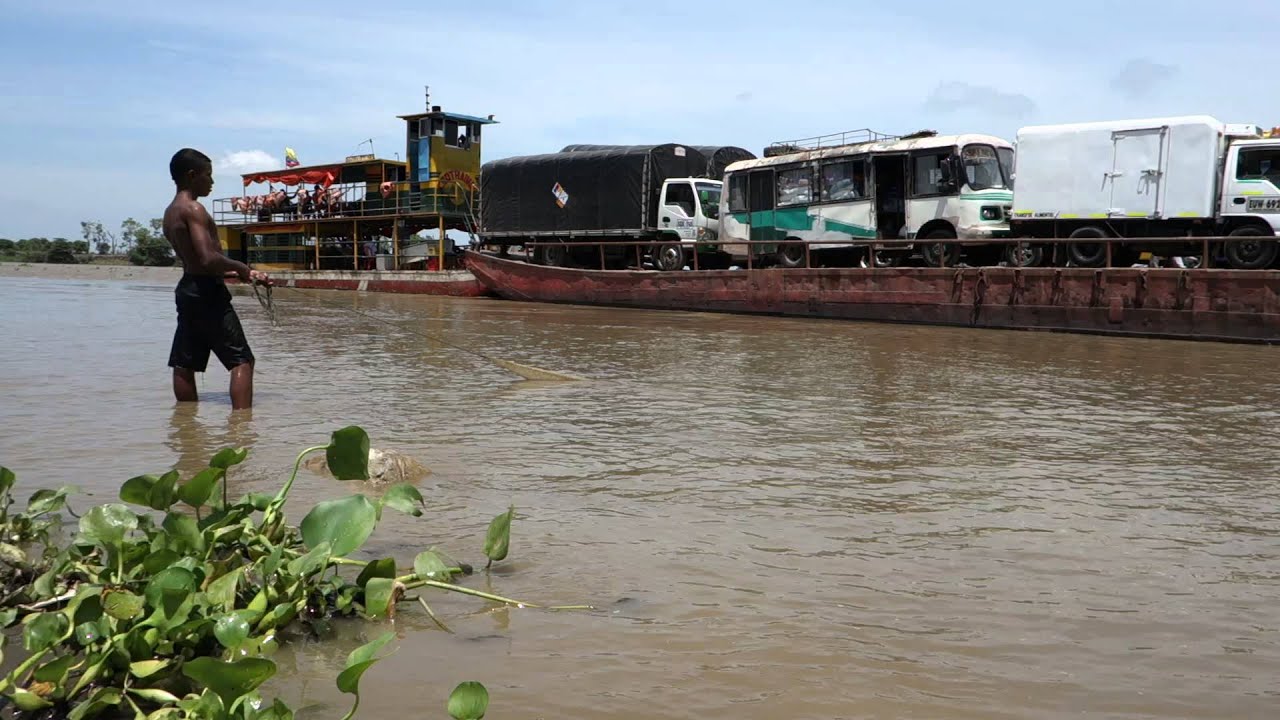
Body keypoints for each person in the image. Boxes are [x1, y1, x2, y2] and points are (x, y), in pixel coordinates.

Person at [162, 148, 272, 410]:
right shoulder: (194, 208)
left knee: (185, 363)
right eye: (208, 175)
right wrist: (243, 268)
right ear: (191, 175)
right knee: (242, 361)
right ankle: (242, 428)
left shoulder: (170, 212)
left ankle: (186, 426)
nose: (211, 182)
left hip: (188, 289)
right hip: (208, 293)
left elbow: (198, 263)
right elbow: (209, 258)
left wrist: (239, 274)